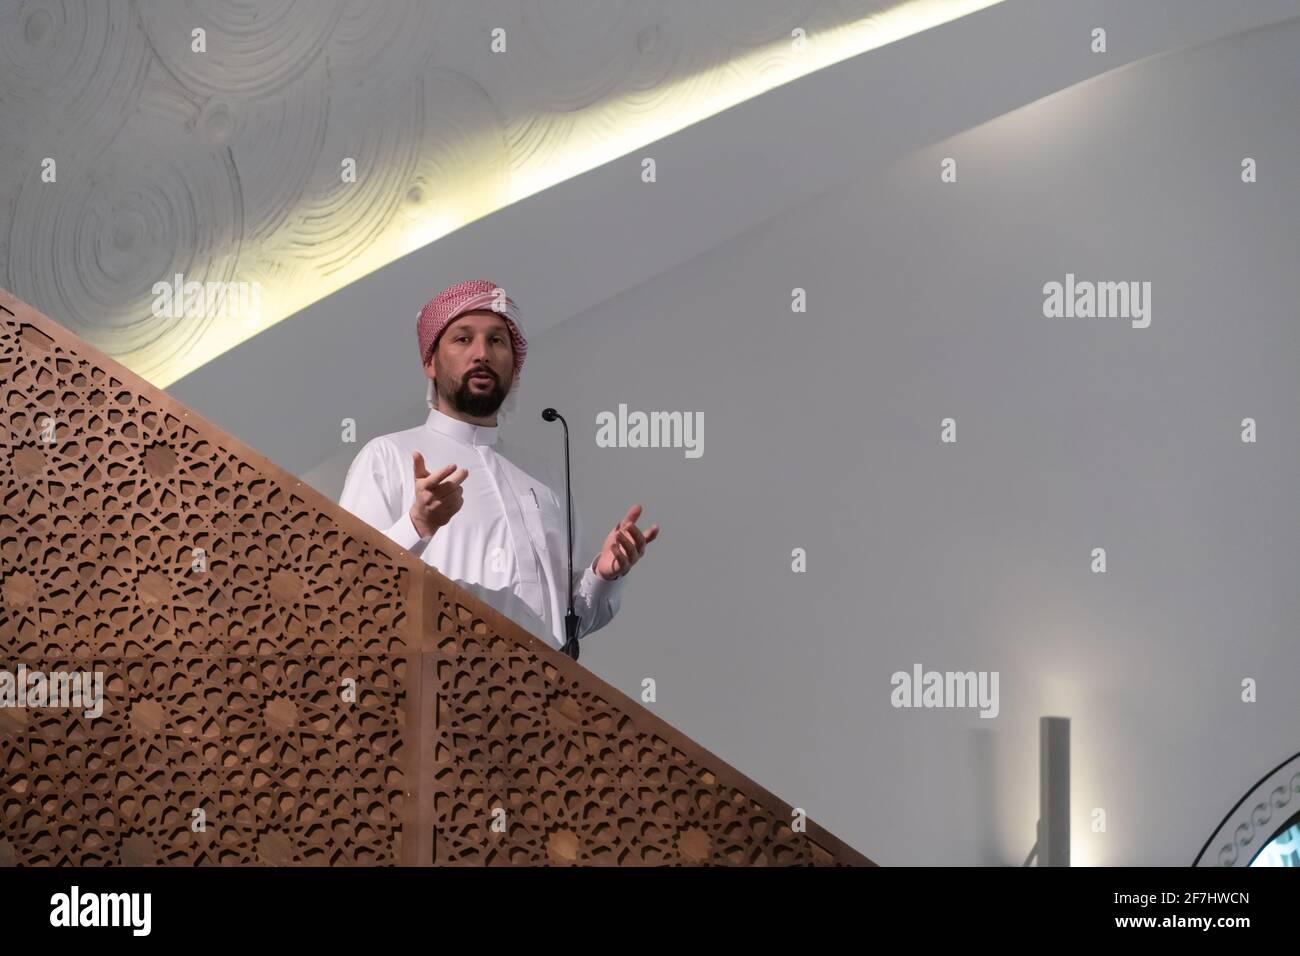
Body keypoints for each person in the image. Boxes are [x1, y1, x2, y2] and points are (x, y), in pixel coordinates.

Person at [338, 279, 658, 652]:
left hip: (549, 701)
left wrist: (604, 575)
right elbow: (350, 584)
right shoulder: (388, 456)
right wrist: (418, 525)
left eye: (496, 341)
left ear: (514, 364)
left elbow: (574, 622)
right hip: (439, 692)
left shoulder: (547, 477)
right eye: (462, 339)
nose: (482, 354)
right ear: (430, 361)